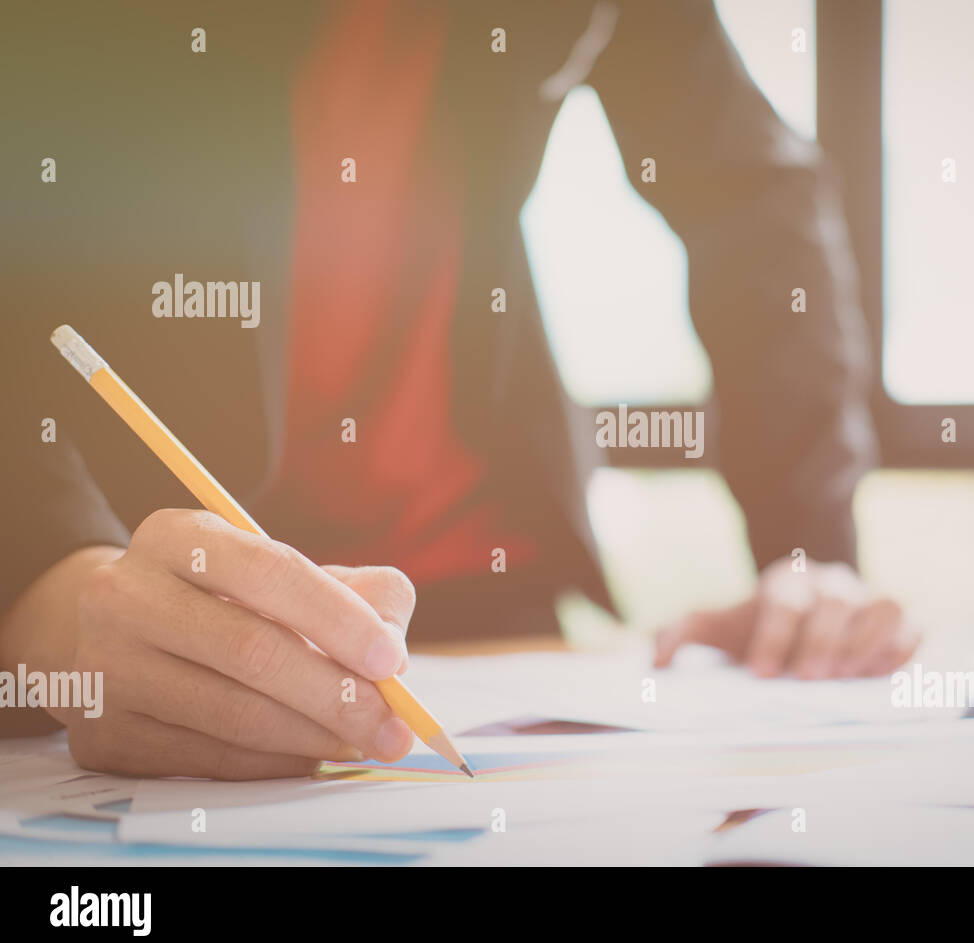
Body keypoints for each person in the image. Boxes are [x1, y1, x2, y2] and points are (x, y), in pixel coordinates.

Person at [0, 0, 918, 778]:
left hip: (491, 591)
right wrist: (49, 581)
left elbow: (752, 197)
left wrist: (806, 553)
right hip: (161, 595)